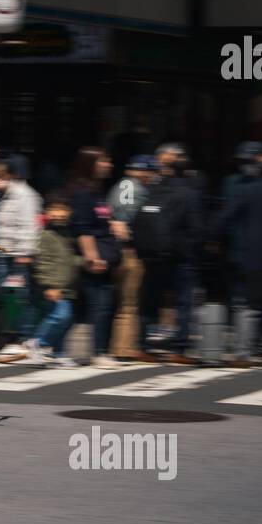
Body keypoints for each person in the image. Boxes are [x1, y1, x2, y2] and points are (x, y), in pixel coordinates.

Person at [218, 147, 262, 366]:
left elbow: (225, 216)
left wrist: (215, 238)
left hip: (253, 256)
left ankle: (243, 351)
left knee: (250, 306)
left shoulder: (247, 190)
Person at [131, 145, 201, 363]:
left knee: (150, 298)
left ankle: (142, 344)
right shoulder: (189, 194)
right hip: (180, 256)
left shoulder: (153, 190)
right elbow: (196, 228)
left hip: (153, 254)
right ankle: (179, 349)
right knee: (183, 302)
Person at [66, 147, 122, 368]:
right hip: (95, 258)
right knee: (100, 305)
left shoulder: (96, 191)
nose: (108, 165)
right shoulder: (83, 193)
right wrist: (92, 257)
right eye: (103, 161)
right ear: (90, 164)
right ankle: (99, 352)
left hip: (106, 256)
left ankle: (100, 350)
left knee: (103, 305)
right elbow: (82, 228)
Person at [0, 155, 42, 361]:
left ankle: (24, 339)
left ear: (10, 175)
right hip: (3, 253)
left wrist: (25, 252)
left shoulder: (25, 195)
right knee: (9, 296)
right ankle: (15, 338)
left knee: (20, 297)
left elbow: (29, 226)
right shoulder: (4, 195)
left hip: (16, 256)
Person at [22, 192, 83, 367]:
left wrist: (84, 262)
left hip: (68, 286)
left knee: (66, 320)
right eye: (54, 209)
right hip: (53, 286)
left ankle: (59, 353)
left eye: (62, 209)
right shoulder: (46, 235)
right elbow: (41, 263)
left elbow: (70, 259)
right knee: (61, 316)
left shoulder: (67, 234)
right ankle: (38, 342)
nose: (58, 213)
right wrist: (49, 285)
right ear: (47, 213)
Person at [106, 154, 155, 360]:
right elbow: (136, 220)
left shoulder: (117, 186)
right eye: (151, 172)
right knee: (129, 302)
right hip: (129, 250)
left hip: (111, 249)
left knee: (114, 301)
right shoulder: (142, 191)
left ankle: (109, 344)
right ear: (144, 171)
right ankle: (124, 348)